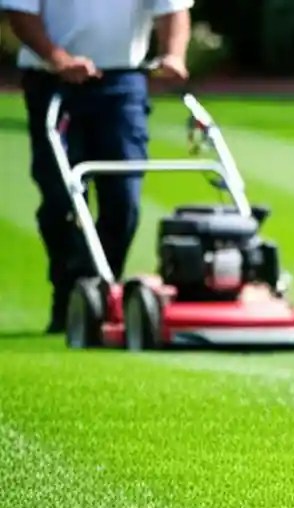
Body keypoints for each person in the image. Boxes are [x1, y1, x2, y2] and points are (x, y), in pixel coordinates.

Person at [2, 0, 192, 333]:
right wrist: (59, 59)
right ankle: (69, 293)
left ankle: (102, 293)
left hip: (123, 83)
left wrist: (173, 55)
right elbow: (21, 14)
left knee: (124, 199)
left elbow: (173, 9)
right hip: (53, 80)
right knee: (61, 198)